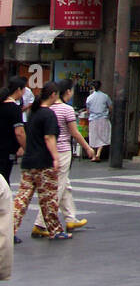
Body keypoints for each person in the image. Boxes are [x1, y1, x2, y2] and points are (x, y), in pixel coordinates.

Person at [33, 81, 94, 237]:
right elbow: (74, 132)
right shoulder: (66, 109)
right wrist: (87, 147)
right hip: (62, 152)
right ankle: (40, 223)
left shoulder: (46, 108)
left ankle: (70, 218)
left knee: (64, 185)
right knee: (57, 188)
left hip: (48, 151)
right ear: (67, 92)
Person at [11, 83, 72, 241]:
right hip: (43, 163)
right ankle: (55, 230)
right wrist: (56, 157)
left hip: (29, 161)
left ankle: (8, 229)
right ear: (53, 95)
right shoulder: (48, 114)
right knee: (49, 199)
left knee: (22, 198)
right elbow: (49, 137)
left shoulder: (34, 113)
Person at [0, 81, 26, 186]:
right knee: (4, 178)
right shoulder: (14, 108)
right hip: (7, 150)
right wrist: (25, 147)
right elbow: (19, 132)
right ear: (19, 90)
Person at [85, 80, 112, 162]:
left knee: (94, 136)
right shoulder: (105, 96)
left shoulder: (89, 98)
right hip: (103, 119)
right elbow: (111, 107)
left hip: (93, 119)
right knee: (103, 136)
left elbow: (88, 110)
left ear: (92, 87)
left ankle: (93, 155)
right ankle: (98, 154)